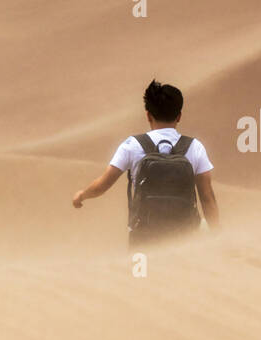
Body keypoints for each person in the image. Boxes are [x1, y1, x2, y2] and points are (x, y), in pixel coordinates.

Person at [72, 79, 219, 235]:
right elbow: (207, 197)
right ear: (179, 116)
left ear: (148, 115)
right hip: (185, 234)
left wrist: (82, 195)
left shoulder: (132, 145)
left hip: (142, 235)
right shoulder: (195, 147)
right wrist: (218, 234)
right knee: (201, 228)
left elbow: (102, 185)